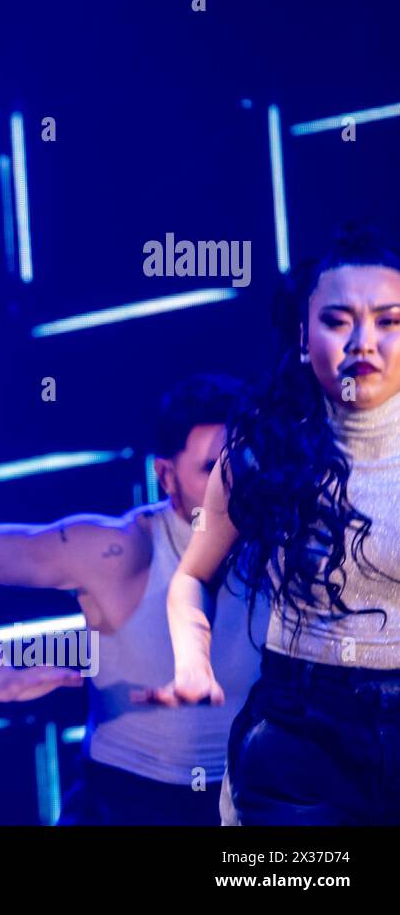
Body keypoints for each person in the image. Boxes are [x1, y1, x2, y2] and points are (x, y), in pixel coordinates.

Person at [143, 225, 400, 824]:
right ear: (306, 339)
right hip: (304, 732)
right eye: (339, 320)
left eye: (389, 321)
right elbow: (192, 577)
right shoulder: (264, 453)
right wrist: (192, 661)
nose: (364, 341)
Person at [0, 374, 267, 824]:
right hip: (124, 804)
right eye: (210, 470)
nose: (233, 483)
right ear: (166, 475)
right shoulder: (120, 551)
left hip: (249, 801)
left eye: (243, 461)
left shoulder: (284, 540)